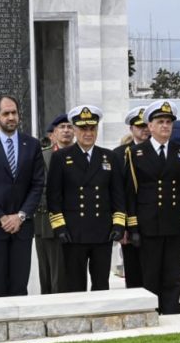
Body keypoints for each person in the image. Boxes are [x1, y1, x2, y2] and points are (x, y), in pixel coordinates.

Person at [0, 95, 46, 297]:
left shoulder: (32, 145)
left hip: (22, 227)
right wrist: (3, 218)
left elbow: (38, 184)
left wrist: (20, 216)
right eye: (6, 113)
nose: (11, 117)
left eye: (14, 112)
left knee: (19, 287)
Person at [125, 99, 180, 314]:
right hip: (148, 225)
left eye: (168, 122)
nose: (165, 125)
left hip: (173, 223)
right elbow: (131, 193)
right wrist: (133, 227)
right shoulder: (136, 153)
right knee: (151, 272)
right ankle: (152, 310)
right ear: (150, 126)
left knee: (173, 273)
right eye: (160, 122)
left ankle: (172, 308)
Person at [47, 106, 126, 292]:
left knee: (101, 284)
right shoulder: (61, 157)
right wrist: (59, 227)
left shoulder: (110, 157)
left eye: (92, 129)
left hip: (102, 231)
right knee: (74, 285)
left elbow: (117, 195)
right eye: (83, 129)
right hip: (73, 233)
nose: (88, 133)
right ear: (75, 130)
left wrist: (118, 225)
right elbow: (54, 196)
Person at [34, 114, 73, 295]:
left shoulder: (80, 154)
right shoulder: (43, 156)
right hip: (47, 221)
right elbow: (37, 188)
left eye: (69, 127)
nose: (66, 130)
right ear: (53, 133)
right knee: (50, 274)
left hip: (76, 220)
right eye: (62, 127)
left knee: (71, 273)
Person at [115, 107, 150, 289]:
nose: (144, 129)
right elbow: (117, 192)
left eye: (146, 125)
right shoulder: (119, 154)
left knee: (154, 271)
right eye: (139, 126)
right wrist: (122, 226)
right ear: (131, 128)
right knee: (134, 271)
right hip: (130, 221)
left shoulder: (158, 149)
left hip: (153, 221)